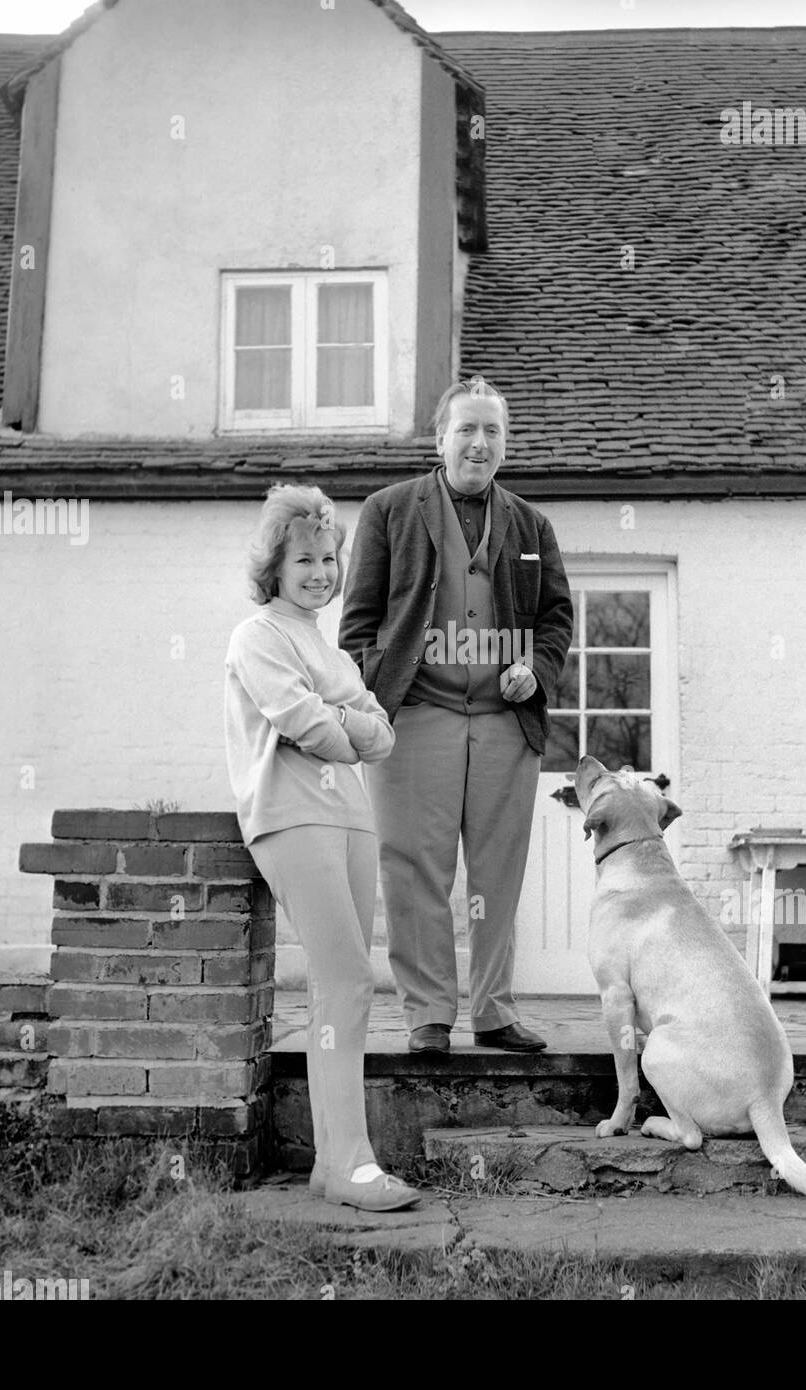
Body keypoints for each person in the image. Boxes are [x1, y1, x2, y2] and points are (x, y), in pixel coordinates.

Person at [339, 377, 574, 1055]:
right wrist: (381, 689)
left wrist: (538, 668)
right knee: (413, 870)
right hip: (415, 719)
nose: (479, 442)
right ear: (440, 437)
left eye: (492, 431)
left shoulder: (532, 525)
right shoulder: (388, 512)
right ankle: (428, 1016)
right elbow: (357, 626)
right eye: (466, 429)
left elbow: (556, 617)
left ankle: (495, 1011)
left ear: (506, 442)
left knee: (499, 871)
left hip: (506, 723)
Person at [224, 484, 417, 1212]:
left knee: (343, 984)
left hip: (349, 816)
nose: (320, 571)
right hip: (289, 814)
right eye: (304, 558)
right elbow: (309, 723)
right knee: (345, 979)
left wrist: (344, 721)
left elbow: (382, 734)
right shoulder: (258, 636)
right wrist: (345, 720)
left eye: (329, 558)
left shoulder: (325, 644)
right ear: (274, 566)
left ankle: (332, 1164)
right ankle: (350, 1165)